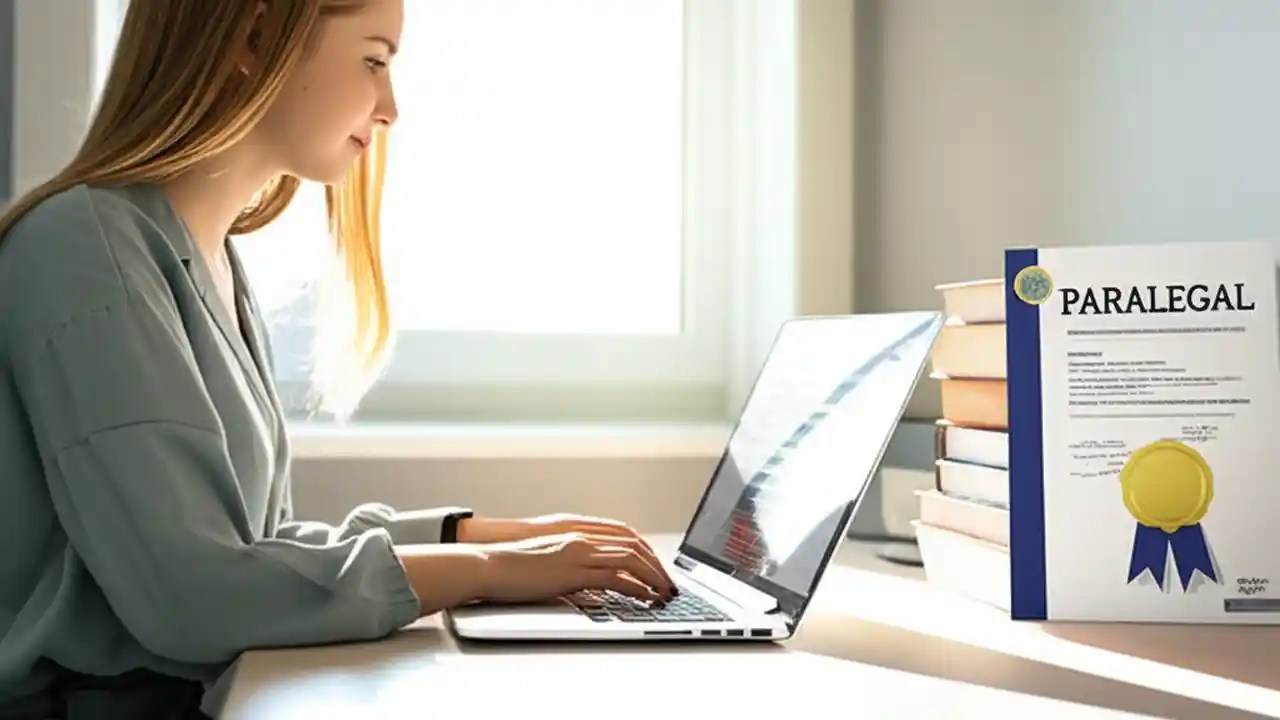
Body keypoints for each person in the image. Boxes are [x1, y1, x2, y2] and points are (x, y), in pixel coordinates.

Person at [0, 1, 678, 717]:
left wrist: (484, 537)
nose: (390, 108)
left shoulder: (203, 258)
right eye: (374, 61)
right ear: (253, 37)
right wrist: (489, 570)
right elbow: (193, 595)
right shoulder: (87, 251)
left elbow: (251, 550)